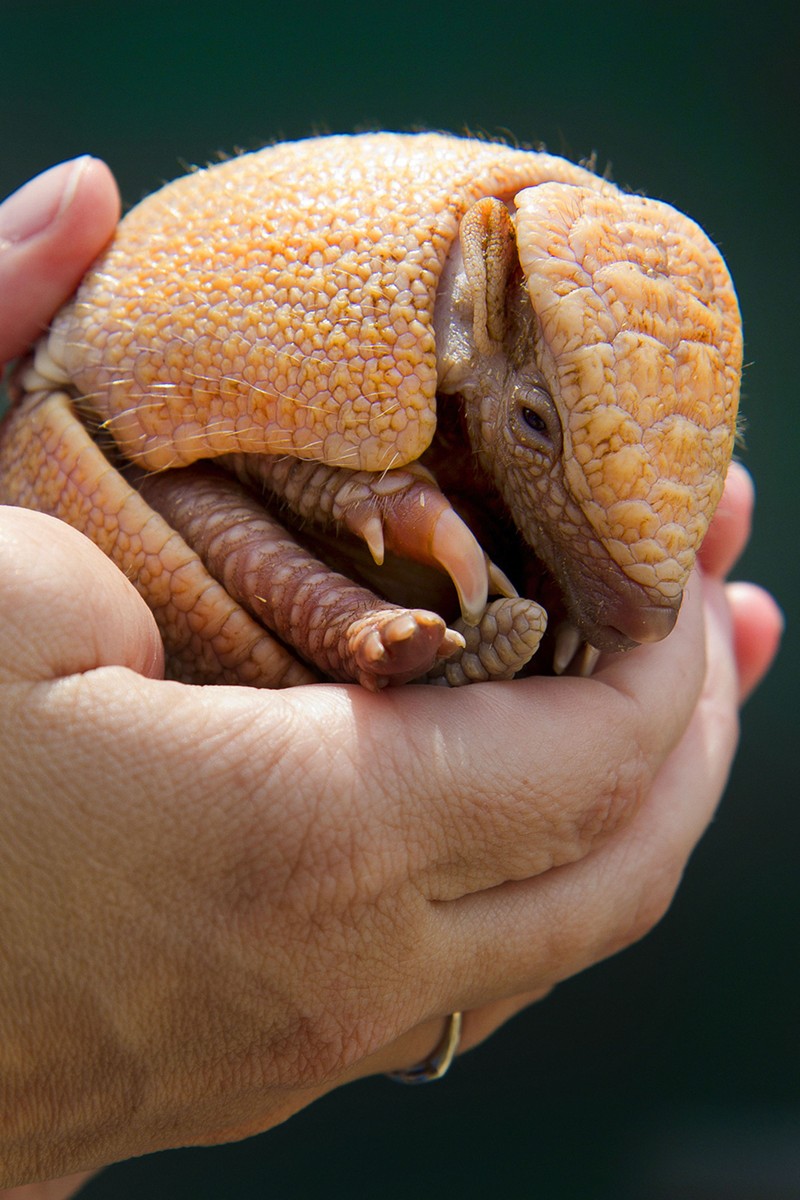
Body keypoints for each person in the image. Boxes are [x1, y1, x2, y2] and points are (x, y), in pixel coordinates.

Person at [0, 158, 783, 1199]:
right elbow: (164, 431)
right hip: (138, 475)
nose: (647, 625)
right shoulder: (337, 293)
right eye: (536, 425)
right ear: (471, 310)